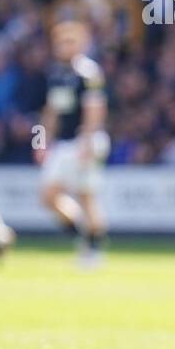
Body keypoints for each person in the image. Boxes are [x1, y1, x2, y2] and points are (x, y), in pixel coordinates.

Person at [37, 20, 108, 268]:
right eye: (61, 41)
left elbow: (95, 109)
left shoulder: (88, 73)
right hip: (63, 143)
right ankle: (83, 233)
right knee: (48, 196)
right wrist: (41, 142)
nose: (65, 46)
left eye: (71, 41)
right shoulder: (56, 75)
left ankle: (94, 250)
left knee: (86, 195)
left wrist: (87, 141)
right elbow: (50, 112)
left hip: (83, 140)